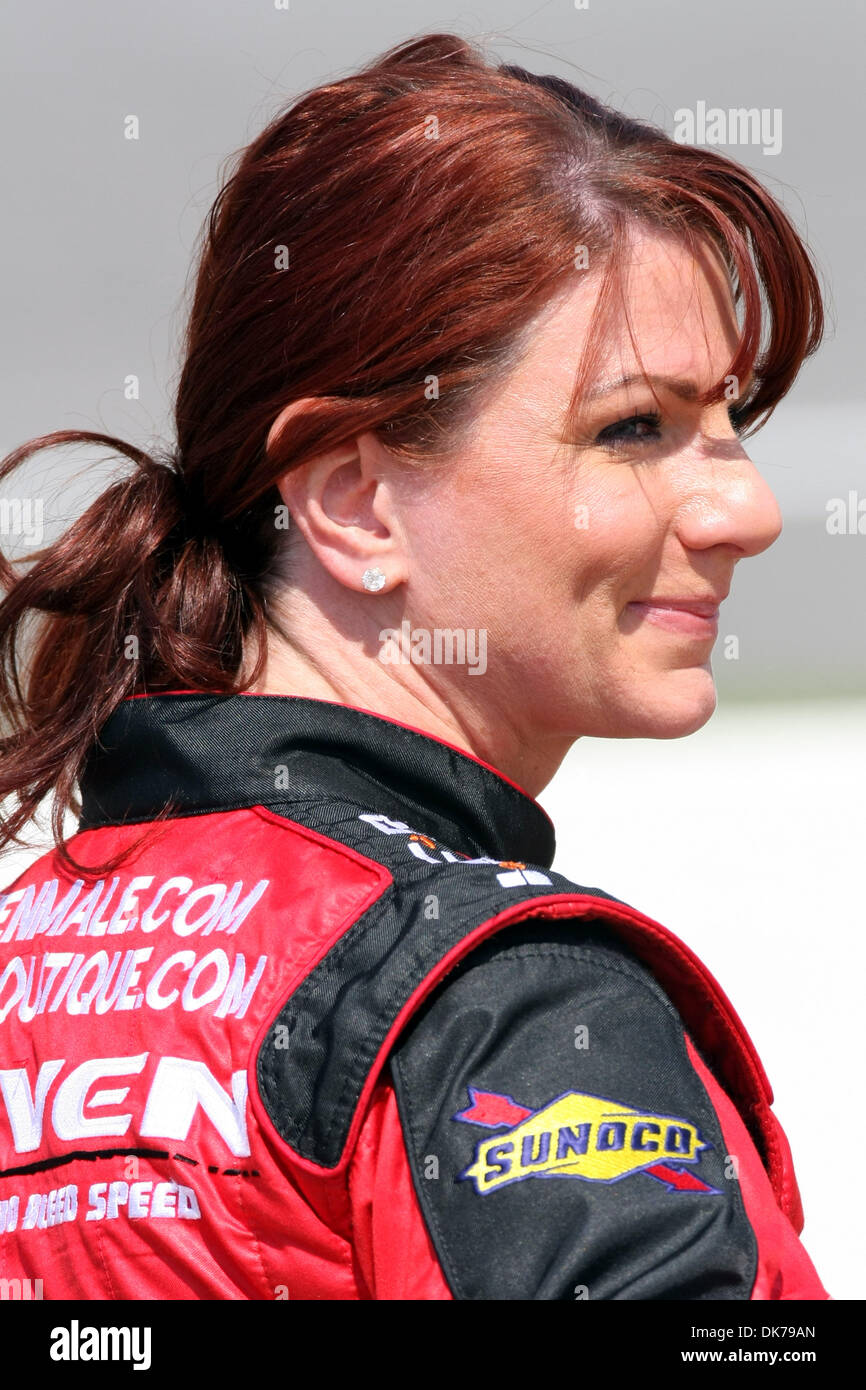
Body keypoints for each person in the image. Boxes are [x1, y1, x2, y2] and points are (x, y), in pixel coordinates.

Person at [0, 32, 828, 1300]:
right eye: (632, 429)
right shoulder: (513, 1010)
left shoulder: (24, 960)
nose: (746, 509)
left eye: (729, 421)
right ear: (354, 504)